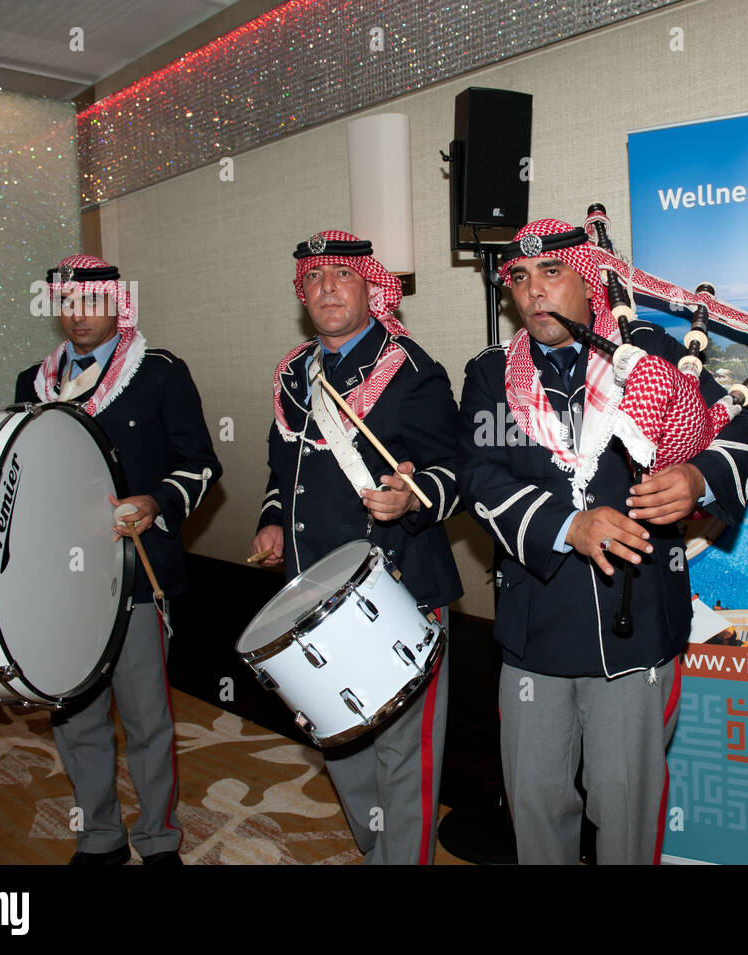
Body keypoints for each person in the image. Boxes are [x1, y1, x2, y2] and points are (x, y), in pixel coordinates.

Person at [457, 218, 748, 865]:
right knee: (536, 803)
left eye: (551, 272)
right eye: (519, 277)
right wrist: (569, 526)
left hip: (636, 624)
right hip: (534, 625)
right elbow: (479, 478)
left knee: (626, 809)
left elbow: (738, 430)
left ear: (589, 278)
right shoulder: (490, 373)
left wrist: (696, 477)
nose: (533, 291)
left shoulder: (649, 350)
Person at [250, 230, 462, 865]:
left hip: (398, 587)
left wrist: (411, 494)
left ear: (371, 285)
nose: (326, 289)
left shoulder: (413, 368)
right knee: (340, 744)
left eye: (341, 275)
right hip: (313, 594)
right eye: (313, 279)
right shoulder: (295, 373)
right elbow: (279, 470)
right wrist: (272, 523)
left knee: (405, 756)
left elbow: (457, 471)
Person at [17, 253, 222, 865]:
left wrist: (157, 501)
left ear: (118, 304)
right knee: (75, 716)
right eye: (67, 303)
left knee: (146, 718)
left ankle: (159, 840)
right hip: (62, 582)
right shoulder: (33, 383)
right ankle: (99, 837)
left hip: (135, 572)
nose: (79, 315)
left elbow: (203, 465)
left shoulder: (157, 372)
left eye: (92, 302)